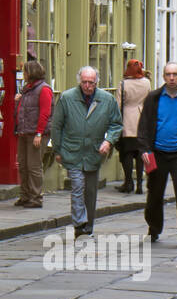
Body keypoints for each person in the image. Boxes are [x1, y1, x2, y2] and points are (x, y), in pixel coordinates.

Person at [47, 66, 122, 238]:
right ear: (79, 81)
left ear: (97, 82)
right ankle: (79, 224)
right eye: (84, 82)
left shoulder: (107, 100)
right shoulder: (67, 98)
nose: (87, 86)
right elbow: (57, 126)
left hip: (94, 153)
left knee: (90, 191)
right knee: (78, 187)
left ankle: (88, 225)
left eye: (91, 82)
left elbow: (116, 124)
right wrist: (57, 150)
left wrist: (108, 141)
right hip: (72, 151)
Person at [137, 62, 177, 246]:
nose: (171, 78)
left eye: (175, 74)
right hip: (157, 152)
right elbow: (144, 126)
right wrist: (145, 149)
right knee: (155, 193)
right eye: (168, 74)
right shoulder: (153, 98)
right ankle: (153, 230)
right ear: (163, 77)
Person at [13, 60, 54, 209]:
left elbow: (44, 113)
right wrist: (17, 102)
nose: (23, 74)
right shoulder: (27, 89)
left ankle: (36, 197)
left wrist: (39, 133)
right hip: (24, 131)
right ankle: (25, 195)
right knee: (23, 165)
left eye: (25, 72)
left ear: (31, 73)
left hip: (36, 134)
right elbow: (22, 111)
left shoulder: (44, 90)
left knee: (34, 166)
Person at [116, 59, 151, 194]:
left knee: (127, 153)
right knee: (140, 153)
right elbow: (149, 100)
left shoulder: (124, 84)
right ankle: (140, 185)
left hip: (127, 121)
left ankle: (128, 182)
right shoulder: (147, 83)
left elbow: (118, 104)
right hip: (142, 120)